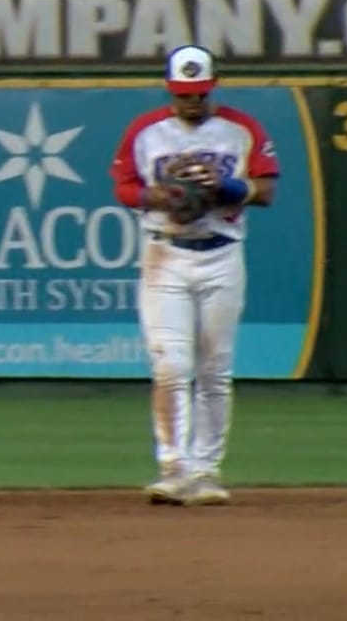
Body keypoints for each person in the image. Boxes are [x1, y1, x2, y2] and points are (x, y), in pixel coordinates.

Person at [109, 45, 279, 507]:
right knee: (170, 367)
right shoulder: (147, 132)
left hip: (221, 255)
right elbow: (123, 187)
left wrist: (224, 188)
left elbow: (267, 189)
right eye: (185, 93)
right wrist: (158, 198)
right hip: (165, 255)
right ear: (169, 87)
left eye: (200, 93)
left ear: (213, 86)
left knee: (214, 370)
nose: (192, 101)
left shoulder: (239, 130)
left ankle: (206, 471)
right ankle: (173, 468)